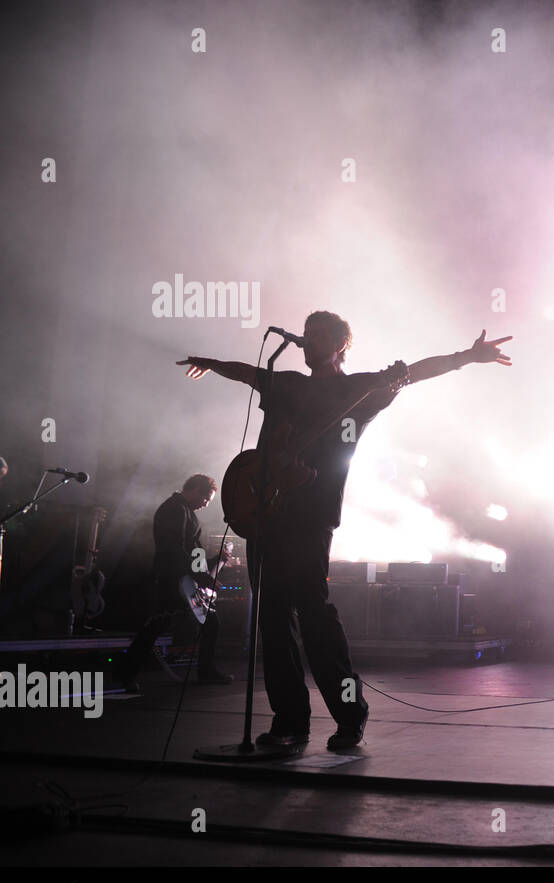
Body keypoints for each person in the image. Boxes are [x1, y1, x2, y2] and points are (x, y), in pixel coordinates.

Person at [179, 311, 511, 751]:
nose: (307, 341)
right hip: (265, 514)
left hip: (311, 513)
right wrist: (212, 362)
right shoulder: (289, 383)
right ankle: (289, 720)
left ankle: (350, 713)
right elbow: (249, 374)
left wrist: (467, 356)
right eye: (306, 335)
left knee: (314, 614)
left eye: (318, 336)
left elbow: (414, 372)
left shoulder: (356, 390)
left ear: (341, 344)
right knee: (273, 620)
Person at [115, 474, 231, 692]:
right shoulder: (174, 509)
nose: (205, 504)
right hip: (172, 578)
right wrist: (203, 577)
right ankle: (125, 673)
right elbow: (175, 550)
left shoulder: (183, 511)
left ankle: (124, 673)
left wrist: (215, 561)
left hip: (181, 579)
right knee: (164, 626)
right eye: (206, 499)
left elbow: (190, 554)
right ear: (195, 488)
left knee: (162, 626)